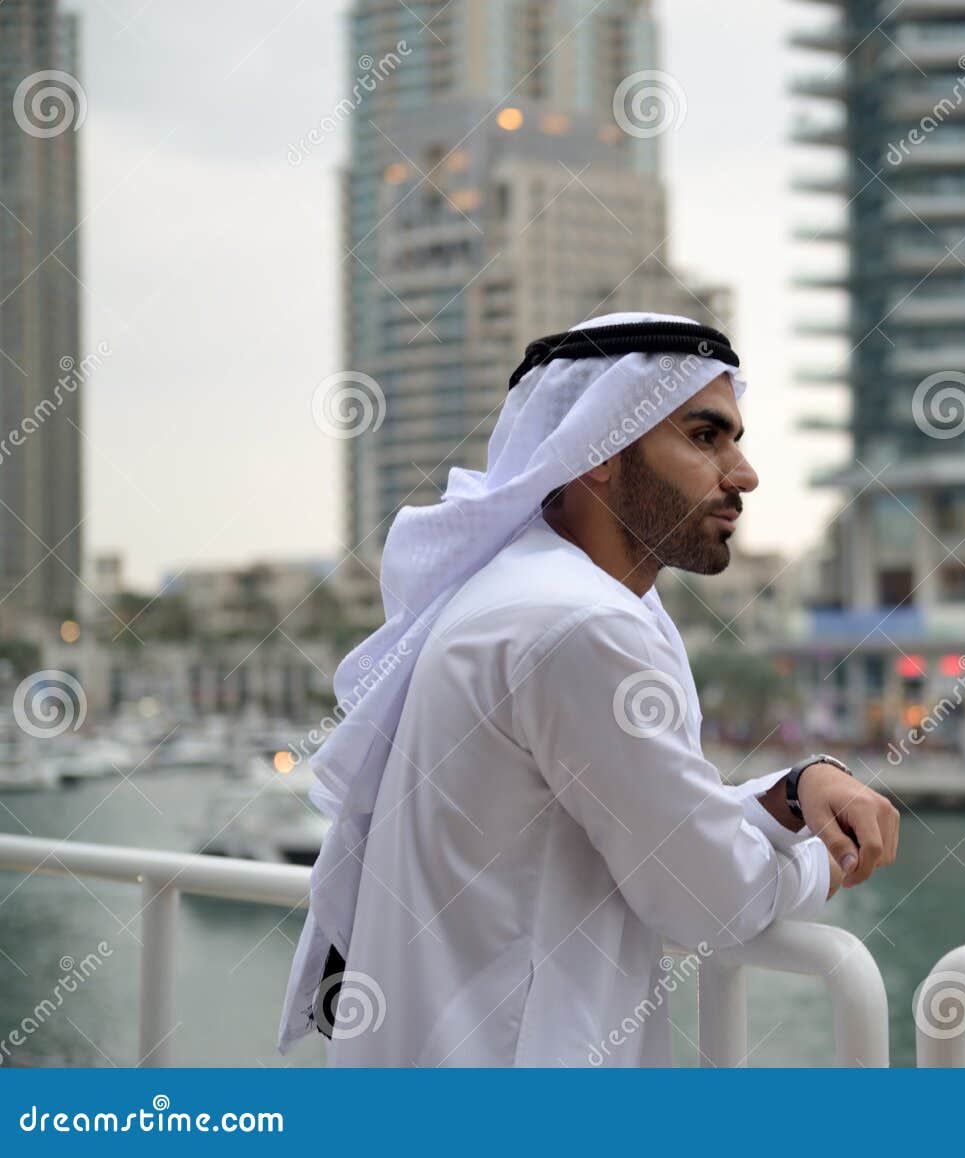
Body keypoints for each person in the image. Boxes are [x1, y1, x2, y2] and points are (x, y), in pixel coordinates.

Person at [276, 313, 899, 1065]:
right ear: (598, 446)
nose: (743, 473)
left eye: (734, 438)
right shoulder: (581, 624)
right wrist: (824, 861)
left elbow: (626, 832)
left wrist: (793, 793)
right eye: (705, 437)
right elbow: (708, 901)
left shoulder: (528, 593)